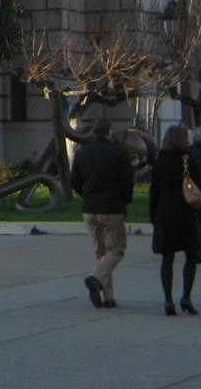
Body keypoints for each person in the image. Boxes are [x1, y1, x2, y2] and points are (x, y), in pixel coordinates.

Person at [70, 116, 134, 309]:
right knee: (116, 249)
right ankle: (96, 279)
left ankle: (108, 296)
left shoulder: (82, 153)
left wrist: (86, 194)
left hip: (90, 207)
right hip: (111, 206)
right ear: (109, 132)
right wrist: (124, 200)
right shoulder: (118, 152)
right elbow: (127, 180)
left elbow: (75, 180)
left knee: (101, 252)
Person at [150, 123, 201, 315]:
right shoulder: (189, 160)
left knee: (167, 258)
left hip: (166, 213)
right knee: (190, 256)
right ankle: (186, 297)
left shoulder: (160, 161)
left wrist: (154, 216)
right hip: (187, 213)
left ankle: (168, 300)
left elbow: (154, 191)